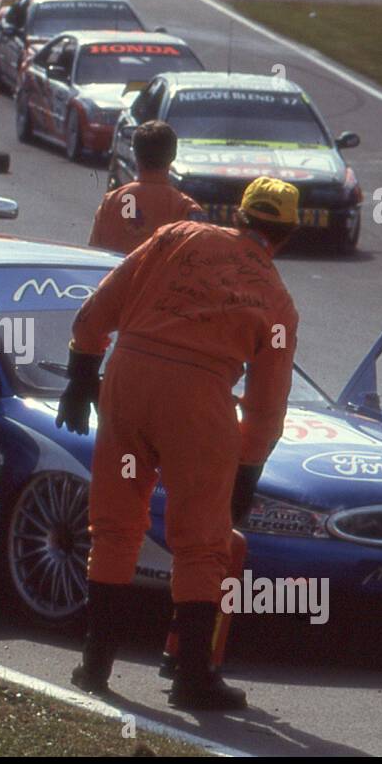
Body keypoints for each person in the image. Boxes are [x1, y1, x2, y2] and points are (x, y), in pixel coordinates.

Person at [55, 176, 302, 710]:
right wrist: (244, 472)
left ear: (239, 215)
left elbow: (101, 306)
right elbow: (266, 407)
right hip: (198, 405)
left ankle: (94, 667)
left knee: (115, 525)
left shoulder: (177, 236)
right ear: (286, 235)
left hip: (128, 381)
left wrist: (81, 372)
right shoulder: (278, 302)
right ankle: (191, 677)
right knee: (201, 543)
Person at [89, 120, 202, 255]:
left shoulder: (112, 201)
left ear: (135, 154)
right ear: (173, 155)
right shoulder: (186, 209)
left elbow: (94, 252)